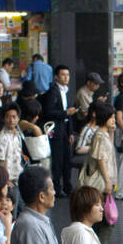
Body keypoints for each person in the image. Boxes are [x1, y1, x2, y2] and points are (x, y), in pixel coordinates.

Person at [80, 100, 118, 244]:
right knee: (106, 216)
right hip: (101, 184)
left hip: (104, 182)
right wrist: (108, 182)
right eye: (112, 118)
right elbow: (101, 159)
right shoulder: (100, 137)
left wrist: (113, 133)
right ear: (105, 118)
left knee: (102, 215)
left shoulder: (103, 134)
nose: (114, 120)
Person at [41, 65, 78, 197]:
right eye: (63, 75)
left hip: (65, 130)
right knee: (57, 161)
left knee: (66, 160)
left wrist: (70, 132)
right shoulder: (53, 92)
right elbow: (48, 112)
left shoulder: (66, 91)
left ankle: (67, 186)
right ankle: (57, 187)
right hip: (56, 131)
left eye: (67, 75)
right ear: (56, 76)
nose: (66, 77)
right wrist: (65, 113)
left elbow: (69, 114)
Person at [0, 103, 25, 211]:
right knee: (11, 214)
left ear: (18, 118)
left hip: (17, 181)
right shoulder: (3, 138)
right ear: (4, 119)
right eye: (8, 117)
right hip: (8, 183)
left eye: (14, 117)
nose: (11, 120)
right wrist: (4, 182)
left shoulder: (17, 135)